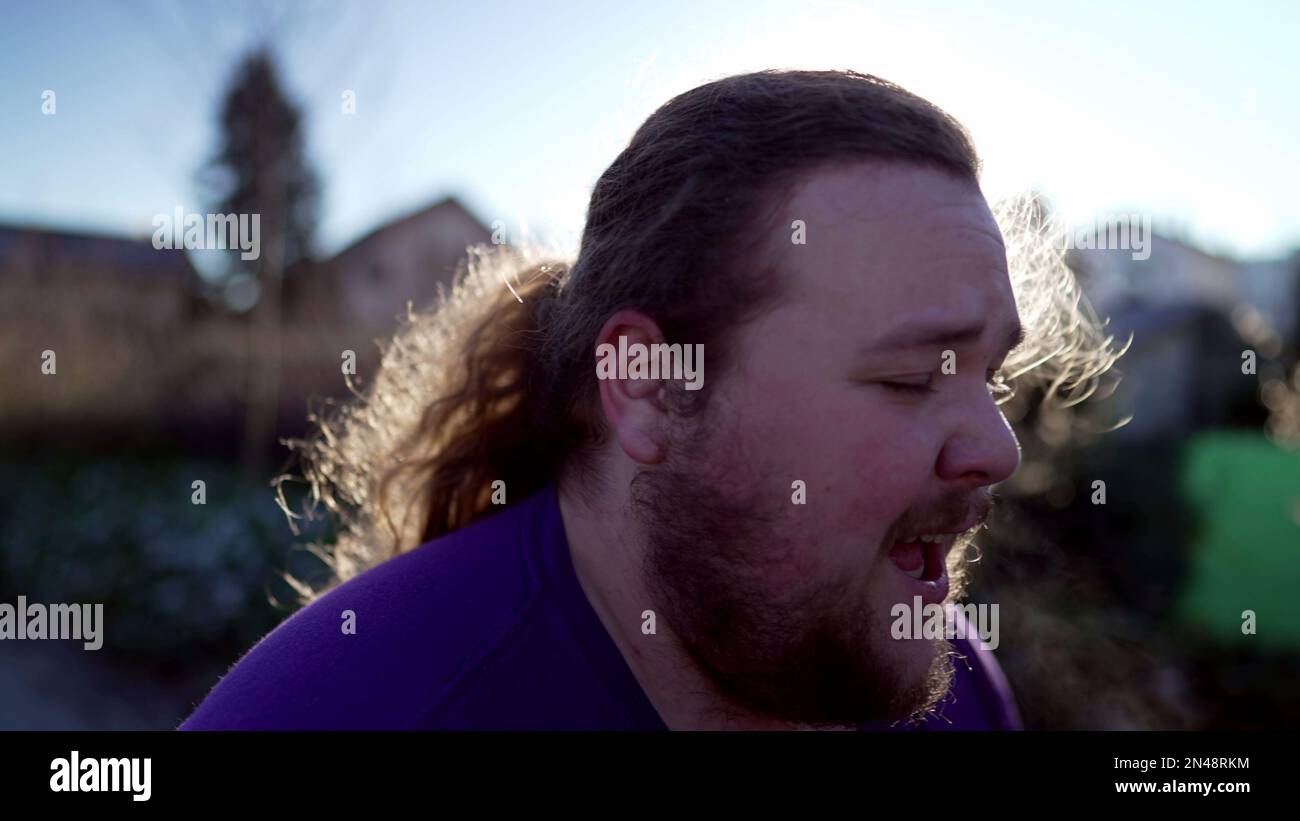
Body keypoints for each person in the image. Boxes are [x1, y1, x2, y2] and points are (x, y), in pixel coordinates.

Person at [182, 69, 1113, 731]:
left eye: (991, 376)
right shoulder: (342, 711)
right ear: (650, 386)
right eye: (913, 376)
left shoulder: (957, 693)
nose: (998, 447)